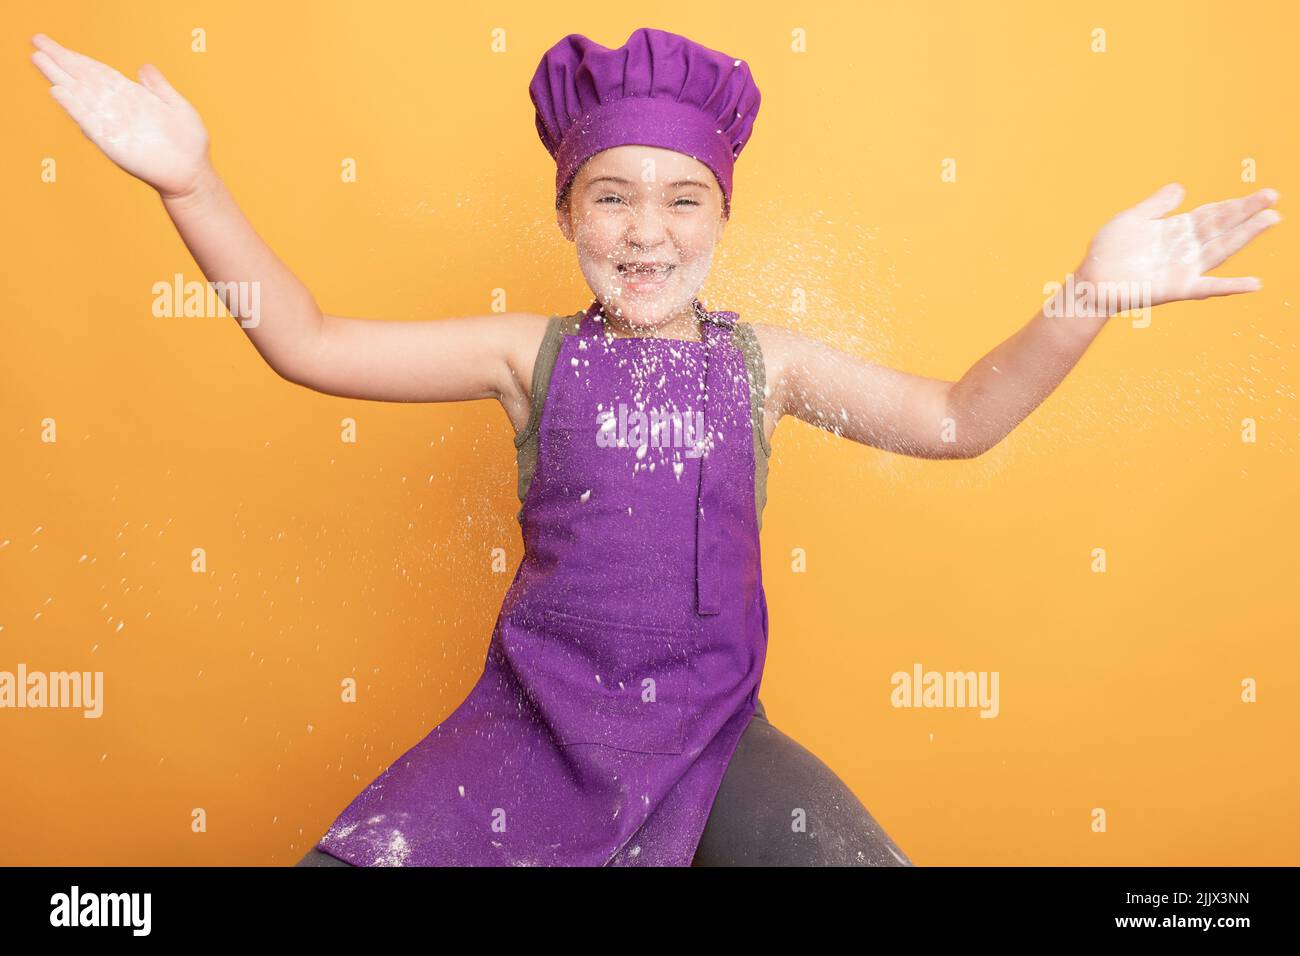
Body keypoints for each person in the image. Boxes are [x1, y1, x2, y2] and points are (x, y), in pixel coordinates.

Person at [31, 25, 1280, 867]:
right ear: (564, 209)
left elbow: (958, 419)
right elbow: (301, 338)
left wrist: (1085, 298)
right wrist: (188, 185)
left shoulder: (766, 366)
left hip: (717, 740)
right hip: (526, 732)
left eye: (682, 197)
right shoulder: (528, 355)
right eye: (611, 195)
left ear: (723, 214)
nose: (646, 229)